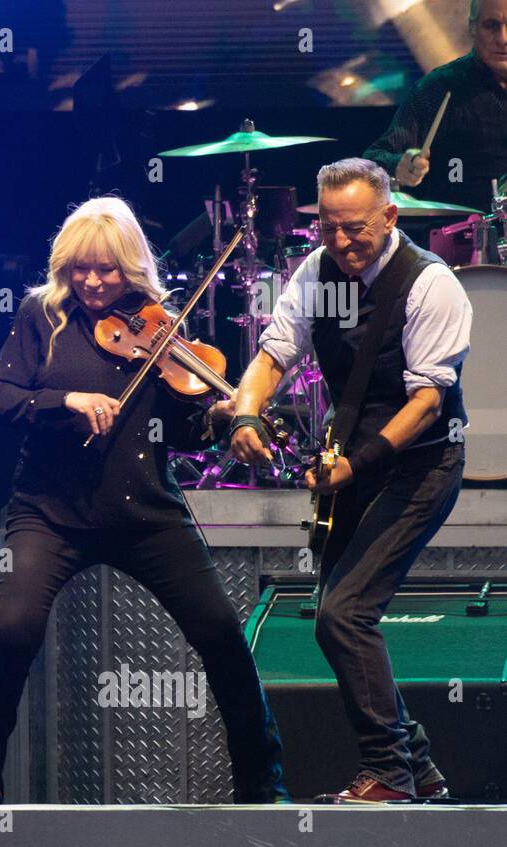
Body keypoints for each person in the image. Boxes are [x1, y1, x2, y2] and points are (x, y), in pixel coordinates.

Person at [0, 196, 289, 806]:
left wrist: (222, 419)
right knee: (12, 630)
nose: (91, 282)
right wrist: (65, 401)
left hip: (145, 510)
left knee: (221, 633)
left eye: (106, 270)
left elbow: (185, 433)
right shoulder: (41, 314)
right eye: (80, 268)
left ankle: (262, 786)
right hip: (49, 511)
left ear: (131, 266)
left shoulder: (160, 326)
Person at [232, 158, 472, 803]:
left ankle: (390, 774)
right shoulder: (316, 274)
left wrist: (355, 463)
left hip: (421, 466)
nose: (340, 242)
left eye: (355, 228)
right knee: (332, 619)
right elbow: (273, 354)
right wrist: (247, 414)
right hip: (353, 467)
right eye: (328, 228)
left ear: (389, 216)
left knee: (345, 614)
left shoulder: (431, 283)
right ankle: (417, 766)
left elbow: (427, 403)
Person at [363, 0, 507, 213]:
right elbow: (373, 158)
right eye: (491, 25)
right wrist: (399, 166)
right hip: (464, 228)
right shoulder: (440, 86)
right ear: (472, 27)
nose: (503, 38)